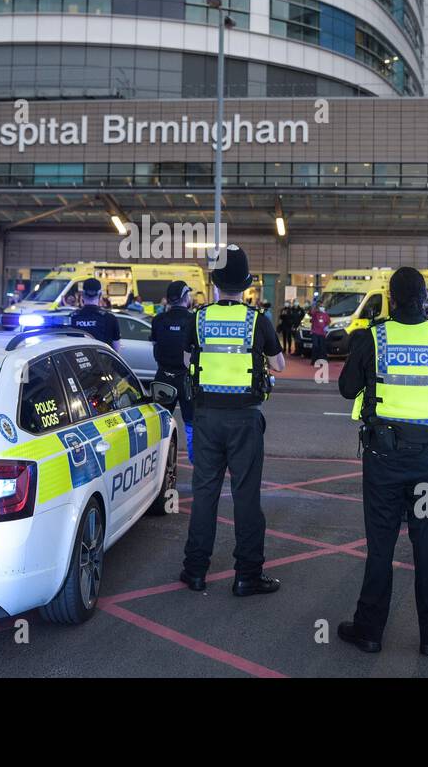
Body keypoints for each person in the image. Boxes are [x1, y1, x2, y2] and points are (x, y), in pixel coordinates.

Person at [336, 266, 428, 656]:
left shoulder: (372, 337)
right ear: (425, 299)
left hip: (383, 459)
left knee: (381, 546)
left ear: (391, 299)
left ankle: (369, 631)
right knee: (426, 549)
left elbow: (347, 389)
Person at [180, 245, 285, 597]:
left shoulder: (198, 318)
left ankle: (195, 571)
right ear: (246, 284)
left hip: (207, 417)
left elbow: (185, 360)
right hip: (245, 421)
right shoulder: (258, 321)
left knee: (205, 495)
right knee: (246, 498)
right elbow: (280, 365)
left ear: (215, 282)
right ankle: (247, 575)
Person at [150, 280, 197, 462]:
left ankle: (158, 461)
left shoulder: (159, 320)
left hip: (163, 376)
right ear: (186, 297)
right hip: (187, 379)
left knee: (161, 422)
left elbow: (155, 347)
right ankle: (195, 461)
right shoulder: (193, 319)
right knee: (191, 423)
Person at [68, 278, 120, 347]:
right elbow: (116, 349)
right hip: (102, 357)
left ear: (82, 294)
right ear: (100, 295)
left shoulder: (71, 317)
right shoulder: (110, 318)